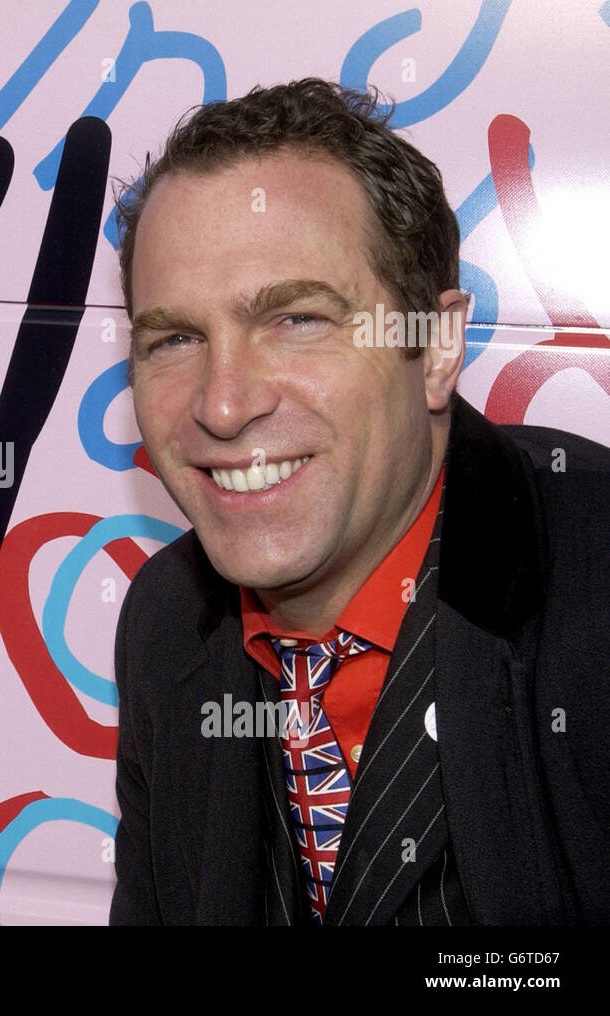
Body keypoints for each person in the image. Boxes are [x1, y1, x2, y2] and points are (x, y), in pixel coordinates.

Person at [110, 78, 610, 925]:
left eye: (297, 319)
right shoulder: (166, 625)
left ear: (437, 347)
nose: (221, 405)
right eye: (176, 339)